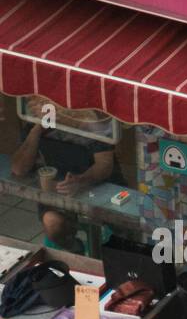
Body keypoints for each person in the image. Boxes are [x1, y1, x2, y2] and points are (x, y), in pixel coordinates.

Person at [10, 99, 124, 252]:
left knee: (119, 231)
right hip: (58, 188)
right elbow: (18, 168)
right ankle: (75, 251)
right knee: (52, 223)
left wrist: (81, 180)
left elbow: (104, 165)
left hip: (98, 185)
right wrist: (37, 130)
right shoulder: (39, 122)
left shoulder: (90, 123)